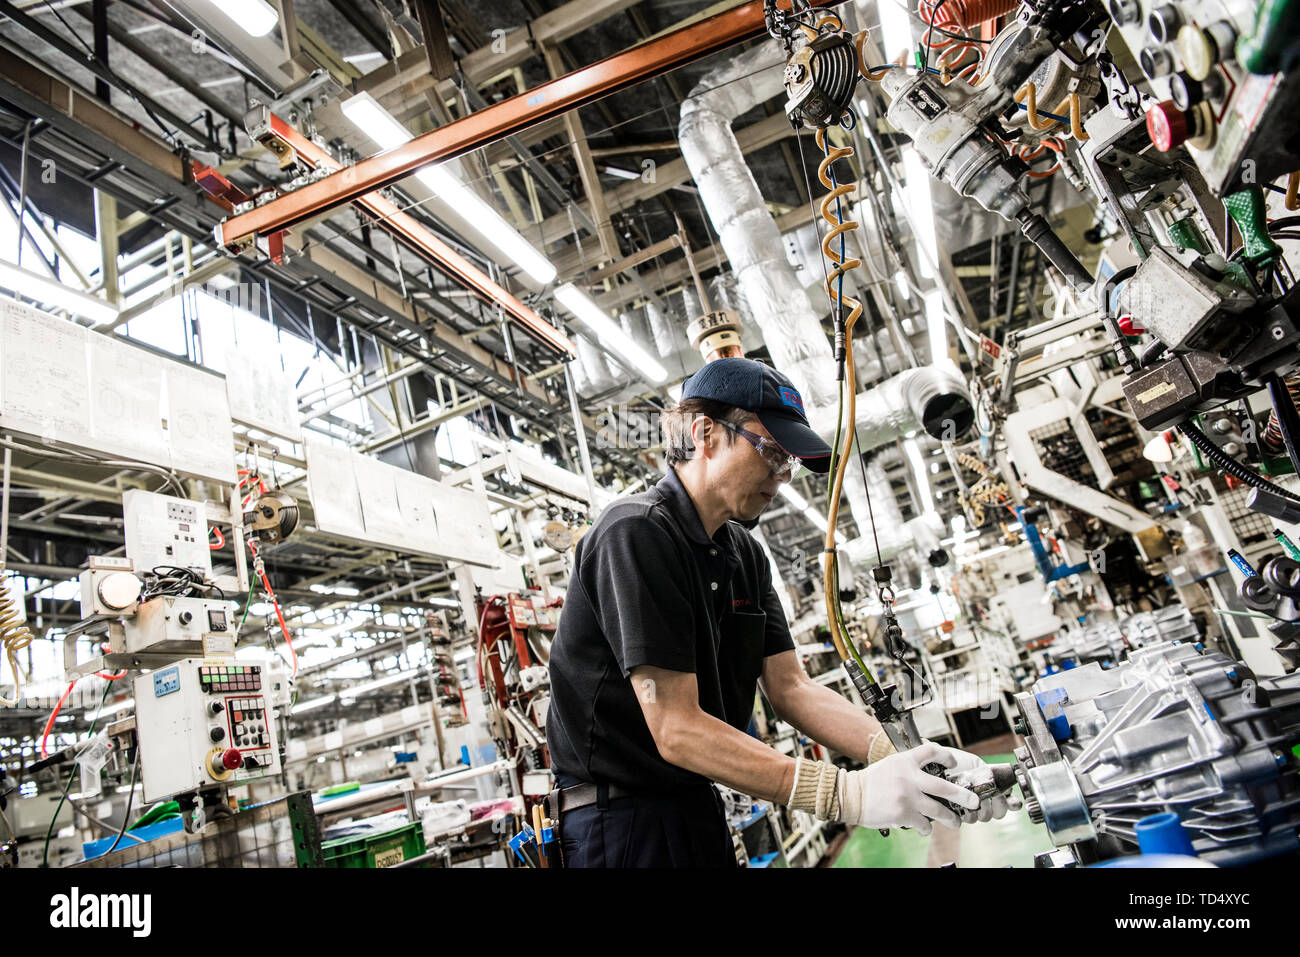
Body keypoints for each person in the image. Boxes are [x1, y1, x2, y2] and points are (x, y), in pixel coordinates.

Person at [545, 357, 1007, 867]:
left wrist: (907, 755)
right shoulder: (635, 533)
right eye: (772, 452)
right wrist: (843, 795)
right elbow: (675, 728)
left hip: (696, 805)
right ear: (705, 434)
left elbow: (792, 689)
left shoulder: (744, 554)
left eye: (790, 463)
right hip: (619, 825)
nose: (783, 477)